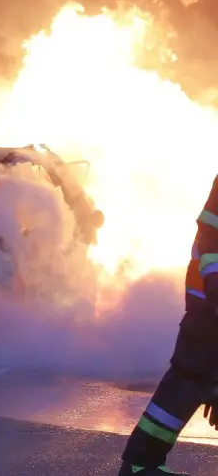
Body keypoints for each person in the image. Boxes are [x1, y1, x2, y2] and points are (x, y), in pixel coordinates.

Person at [118, 175, 218, 476]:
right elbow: (210, 237)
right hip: (207, 311)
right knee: (188, 380)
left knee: (193, 380)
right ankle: (140, 462)